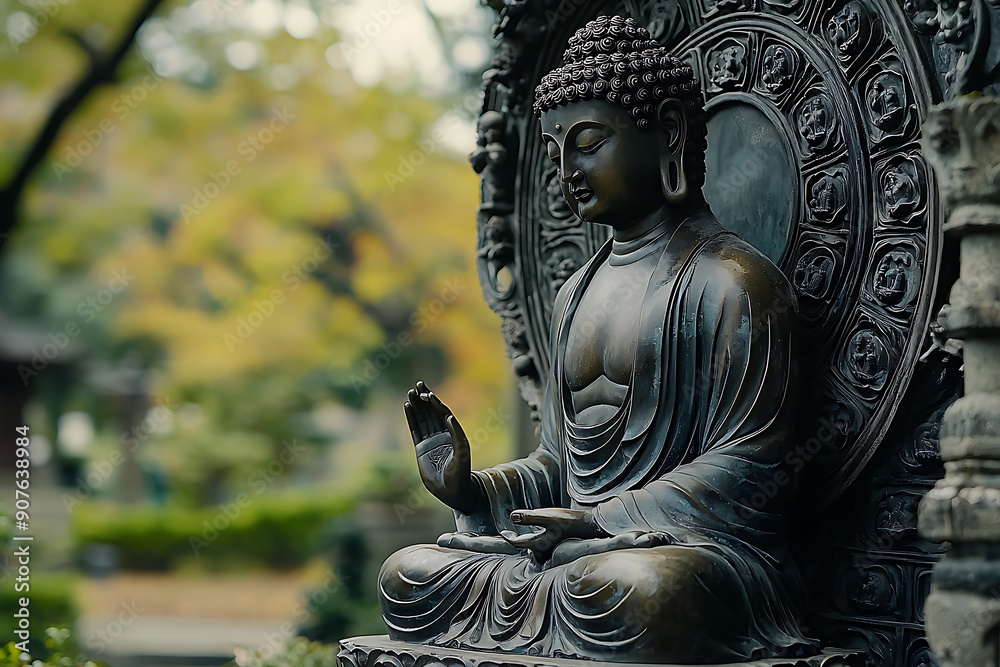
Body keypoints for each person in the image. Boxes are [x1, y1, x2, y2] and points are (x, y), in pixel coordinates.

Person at [379, 15, 816, 663]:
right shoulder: (573, 294)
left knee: (643, 591)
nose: (566, 170)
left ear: (666, 131)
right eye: (555, 149)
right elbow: (560, 466)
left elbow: (756, 466)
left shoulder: (734, 282)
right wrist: (474, 491)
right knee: (411, 573)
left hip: (683, 551)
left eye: (587, 142)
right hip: (574, 554)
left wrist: (604, 521)